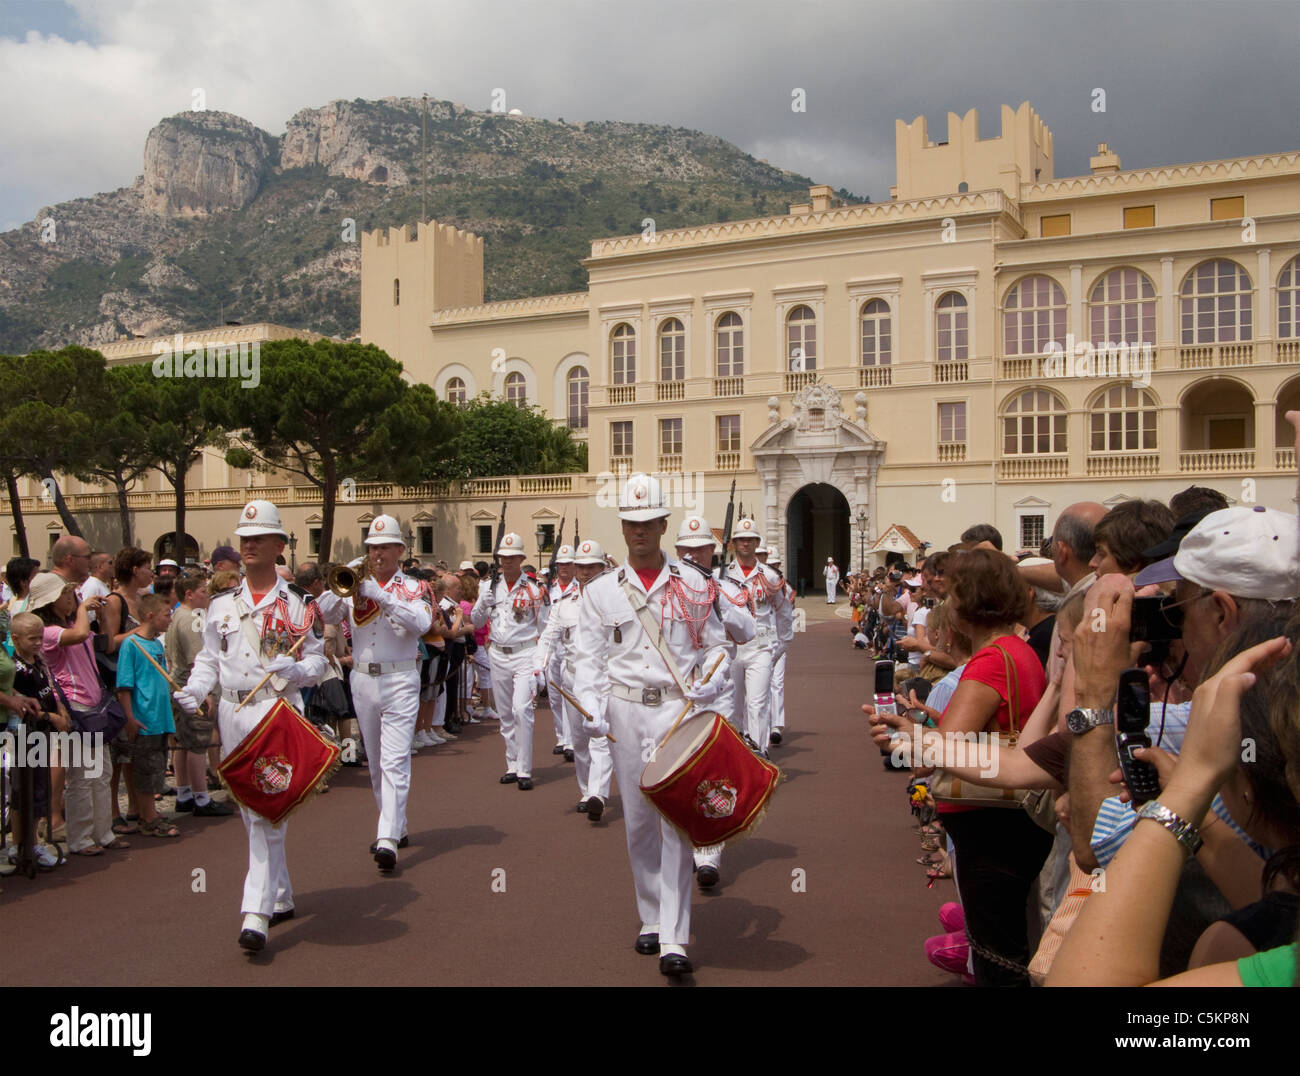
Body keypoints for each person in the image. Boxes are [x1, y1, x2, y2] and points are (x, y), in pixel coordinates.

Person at [573, 473, 731, 978]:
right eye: (631, 523)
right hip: (624, 710)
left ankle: (674, 936)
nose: (639, 531)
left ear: (663, 524)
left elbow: (717, 646)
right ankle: (649, 916)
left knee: (675, 819)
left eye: (648, 522)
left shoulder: (692, 582)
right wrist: (590, 708)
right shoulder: (600, 591)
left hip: (676, 711)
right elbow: (587, 658)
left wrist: (709, 681)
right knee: (639, 821)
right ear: (622, 527)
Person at [174, 500, 326, 952]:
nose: (250, 543)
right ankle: (280, 895)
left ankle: (254, 912)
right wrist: (197, 689)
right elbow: (208, 659)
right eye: (245, 537)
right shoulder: (221, 603)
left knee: (263, 814)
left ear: (280, 545)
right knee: (250, 809)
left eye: (259, 536)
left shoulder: (299, 604)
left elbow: (318, 660)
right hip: (233, 713)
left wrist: (294, 668)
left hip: (276, 712)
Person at [925, 548, 1052, 985]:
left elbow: (946, 746)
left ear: (967, 605)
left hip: (989, 818)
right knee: (1009, 941)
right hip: (1013, 818)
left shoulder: (990, 660)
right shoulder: (1020, 649)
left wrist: (911, 738)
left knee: (996, 954)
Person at [316, 514, 432, 871]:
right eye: (372, 547)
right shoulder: (355, 584)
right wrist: (343, 585)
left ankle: (386, 838)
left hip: (400, 678)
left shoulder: (414, 587)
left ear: (400, 549)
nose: (377, 553)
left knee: (395, 759)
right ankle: (395, 824)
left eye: (384, 547)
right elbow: (323, 612)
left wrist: (381, 595)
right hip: (363, 679)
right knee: (376, 761)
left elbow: (422, 624)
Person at [674, 514, 756, 887]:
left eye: (700, 549)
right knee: (682, 768)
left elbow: (747, 631)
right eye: (687, 550)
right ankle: (684, 841)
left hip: (717, 688)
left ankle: (709, 854)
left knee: (713, 769)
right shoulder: (667, 589)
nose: (693, 556)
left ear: (712, 551)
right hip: (677, 691)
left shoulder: (724, 589)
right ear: (677, 552)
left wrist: (722, 603)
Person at [535, 539, 615, 820]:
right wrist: (538, 669)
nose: (585, 572)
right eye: (581, 567)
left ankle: (598, 793)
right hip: (571, 677)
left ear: (602, 568)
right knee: (579, 741)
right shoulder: (563, 604)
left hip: (603, 678)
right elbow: (548, 637)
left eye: (592, 566)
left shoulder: (614, 601)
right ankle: (586, 789)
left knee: (599, 738)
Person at [471, 531, 549, 790]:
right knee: (505, 713)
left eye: (512, 557)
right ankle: (512, 763)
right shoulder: (488, 587)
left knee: (521, 710)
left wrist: (541, 662)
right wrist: (483, 604)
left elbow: (545, 627)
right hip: (498, 653)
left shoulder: (535, 588)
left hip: (525, 653)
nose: (507, 562)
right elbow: (476, 621)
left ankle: (525, 769)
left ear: (521, 558)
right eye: (503, 558)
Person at [724, 518, 793, 758]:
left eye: (750, 539)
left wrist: (780, 646)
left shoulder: (770, 576)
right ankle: (738, 753)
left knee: (757, 702)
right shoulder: (722, 575)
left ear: (757, 543)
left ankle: (760, 752)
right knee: (733, 705)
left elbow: (784, 613)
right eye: (741, 540)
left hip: (761, 646)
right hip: (733, 647)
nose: (745, 544)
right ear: (733, 544)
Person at [164, 573, 231, 817]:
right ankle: (201, 799)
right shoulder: (192, 618)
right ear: (189, 594)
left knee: (181, 744)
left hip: (176, 684)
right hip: (189, 686)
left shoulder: (176, 616)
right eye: (202, 591)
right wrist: (205, 693)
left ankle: (183, 793)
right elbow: (197, 659)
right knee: (197, 743)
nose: (207, 595)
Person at [116, 593, 179, 838]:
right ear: (151, 616)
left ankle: (149, 811)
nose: (170, 620)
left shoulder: (156, 644)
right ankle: (147, 817)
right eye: (166, 615)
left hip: (161, 716)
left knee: (156, 768)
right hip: (144, 716)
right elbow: (124, 686)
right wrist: (130, 717)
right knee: (145, 768)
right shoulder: (132, 644)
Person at [546, 544, 578, 760]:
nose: (564, 567)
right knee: (554, 696)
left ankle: (570, 740)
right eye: (561, 564)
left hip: (570, 647)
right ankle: (561, 736)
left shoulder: (581, 587)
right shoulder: (546, 589)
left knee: (569, 695)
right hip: (550, 646)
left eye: (568, 563)